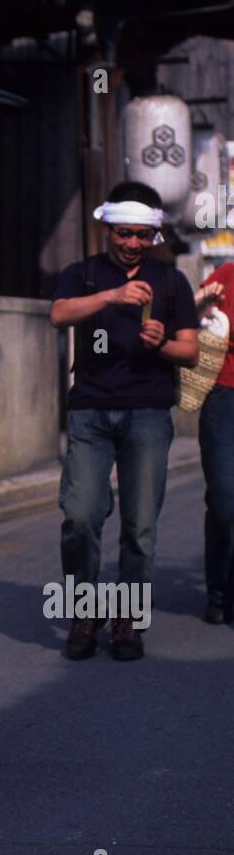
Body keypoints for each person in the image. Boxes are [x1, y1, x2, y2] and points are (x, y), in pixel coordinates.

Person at [50, 180, 199, 661]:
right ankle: (84, 612)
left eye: (142, 235)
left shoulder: (172, 282)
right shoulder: (84, 274)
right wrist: (113, 297)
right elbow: (59, 314)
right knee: (80, 516)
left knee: (139, 525)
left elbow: (191, 351)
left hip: (149, 411)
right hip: (91, 409)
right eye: (123, 233)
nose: (132, 242)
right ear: (107, 228)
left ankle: (128, 619)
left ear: (154, 236)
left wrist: (162, 343)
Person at [194, 261, 234, 625]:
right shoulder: (227, 273)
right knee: (223, 500)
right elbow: (188, 308)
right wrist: (203, 304)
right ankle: (219, 590)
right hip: (224, 397)